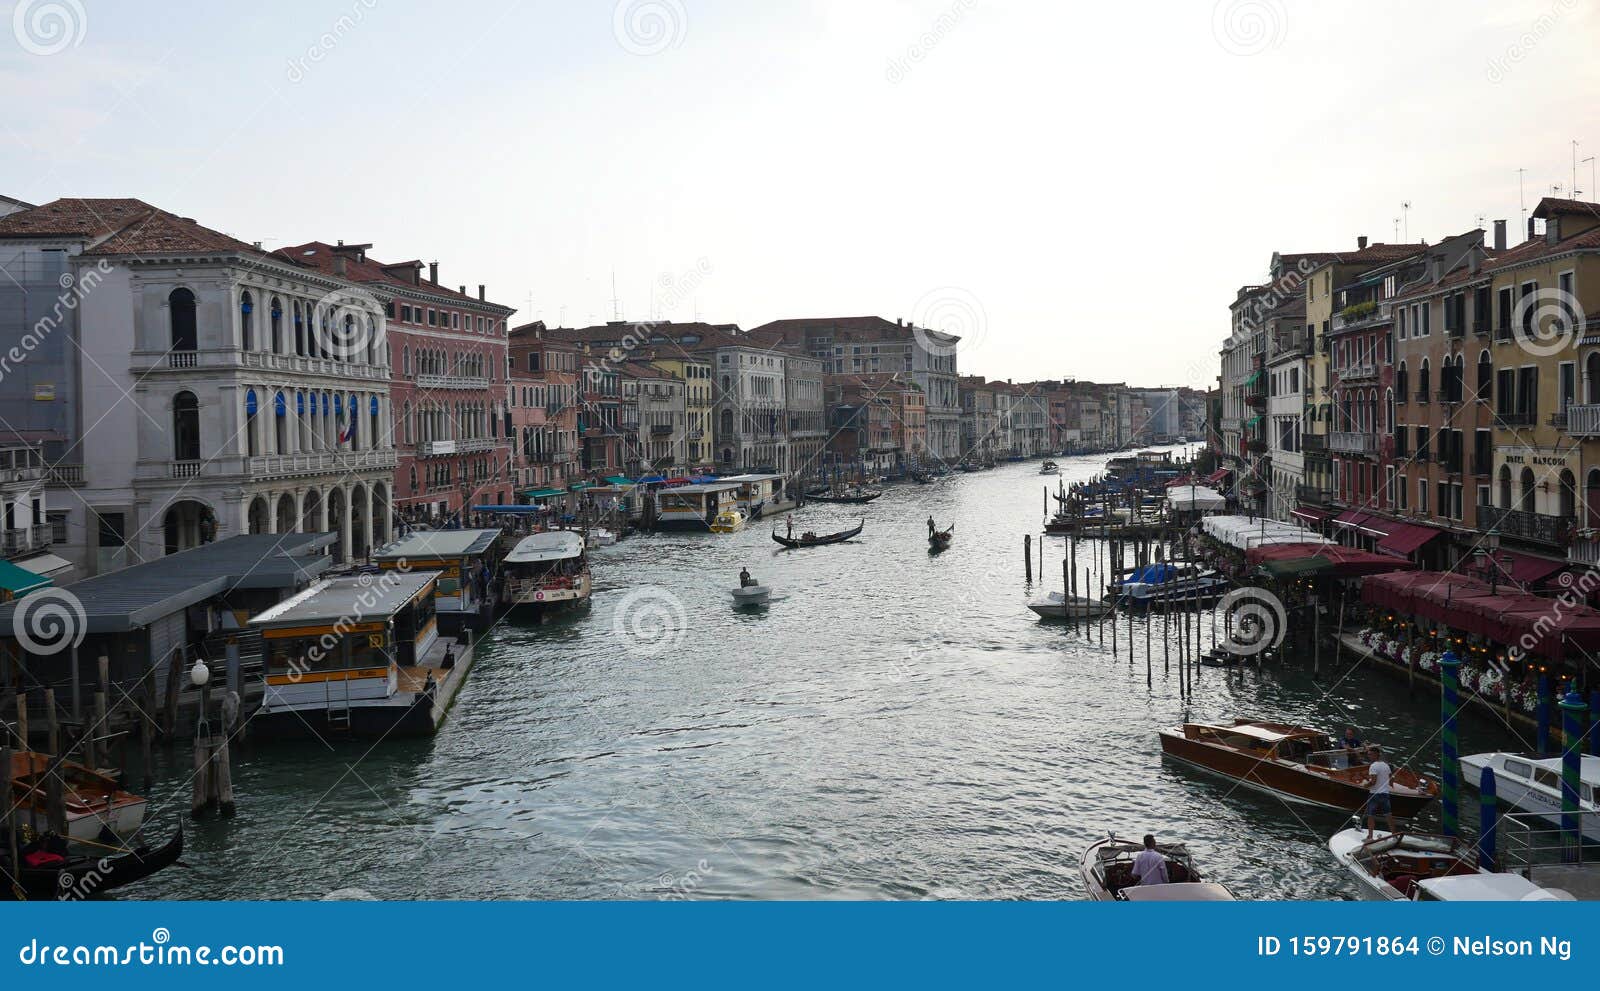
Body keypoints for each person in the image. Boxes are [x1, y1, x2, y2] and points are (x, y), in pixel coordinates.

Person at [1363, 745, 1394, 840]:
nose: (1369, 756)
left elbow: (1373, 782)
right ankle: (1394, 835)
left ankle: (1370, 837)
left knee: (1370, 816)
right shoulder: (1386, 765)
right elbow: (1391, 779)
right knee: (1388, 815)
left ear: (1376, 755)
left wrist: (1365, 785)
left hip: (1374, 794)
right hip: (1385, 794)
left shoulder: (1373, 766)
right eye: (1368, 754)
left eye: (1370, 754)